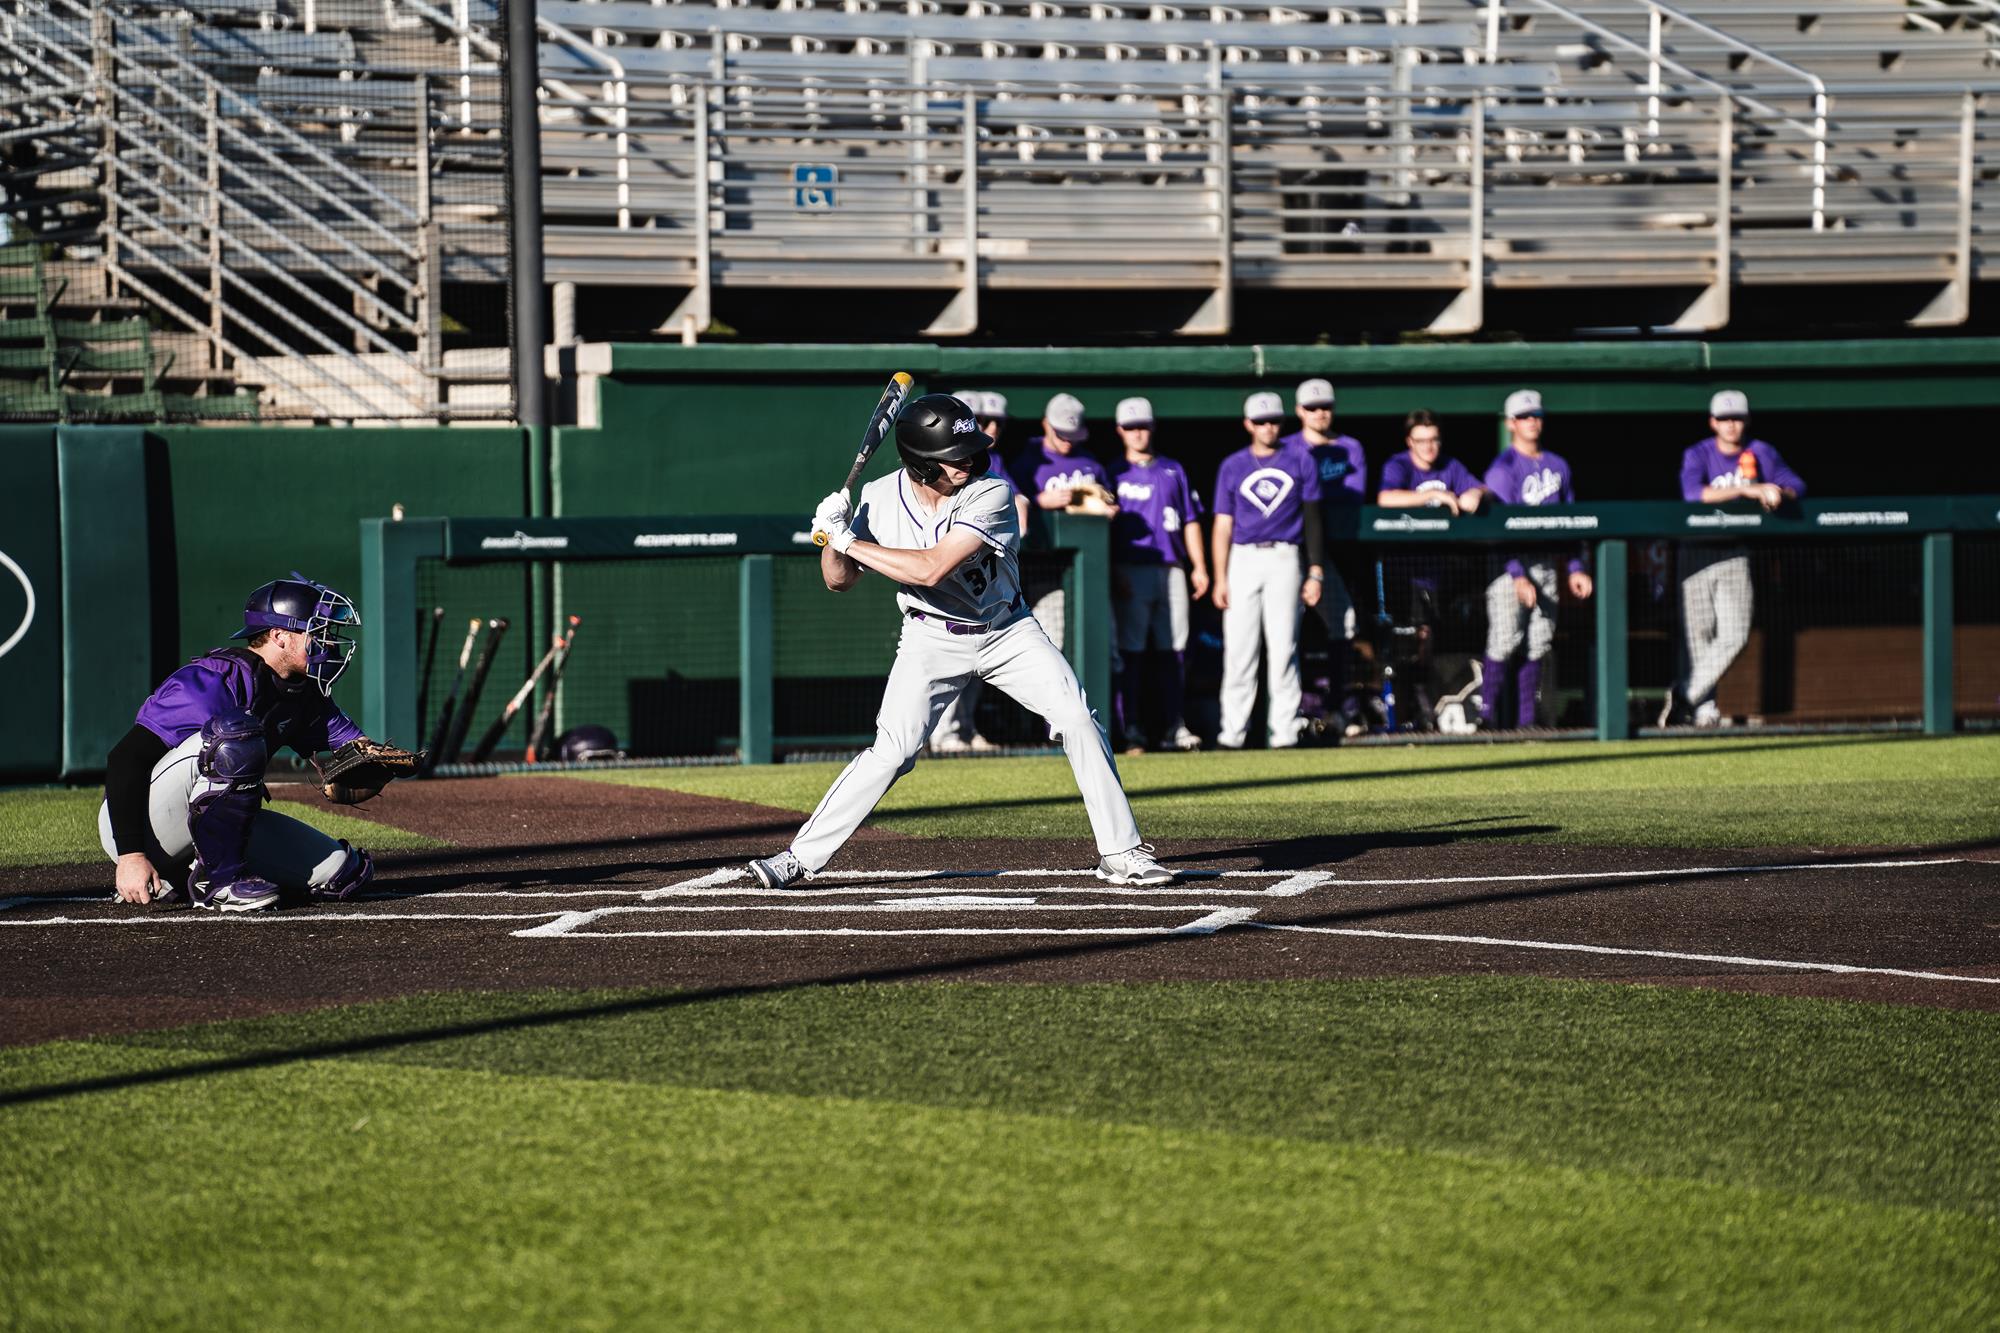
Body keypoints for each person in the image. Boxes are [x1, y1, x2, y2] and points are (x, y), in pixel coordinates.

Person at [747, 393, 1171, 888]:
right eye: (954, 456)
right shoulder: (880, 498)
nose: (968, 460)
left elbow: (931, 568)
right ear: (922, 464)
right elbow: (839, 580)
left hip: (1006, 631)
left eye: (971, 449)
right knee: (893, 751)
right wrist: (833, 532)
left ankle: (1122, 853)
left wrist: (847, 540)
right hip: (930, 638)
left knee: (1078, 719)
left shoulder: (990, 493)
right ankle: (799, 856)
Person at [99, 573, 384, 911]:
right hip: (139, 824)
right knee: (235, 737)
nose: (330, 644)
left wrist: (388, 764)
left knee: (343, 873)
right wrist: (131, 855)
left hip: (204, 825)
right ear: (279, 636)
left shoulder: (304, 694)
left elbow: (363, 749)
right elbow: (125, 758)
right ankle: (221, 884)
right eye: (317, 632)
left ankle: (193, 872)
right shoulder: (213, 680)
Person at [1664, 389, 1807, 728]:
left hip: (1734, 552)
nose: (1731, 425)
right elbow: (1693, 494)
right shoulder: (1698, 452)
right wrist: (1747, 490)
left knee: (1735, 634)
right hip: (1696, 551)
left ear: (1747, 421)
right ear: (1713, 422)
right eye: (1725, 419)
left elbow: (1796, 485)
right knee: (1699, 637)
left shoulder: (1761, 452)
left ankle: (1686, 694)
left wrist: (1777, 492)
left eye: (1737, 418)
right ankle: (1705, 710)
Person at [1210, 390, 1327, 749]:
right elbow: (1222, 524)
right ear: (1248, 424)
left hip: (1284, 555)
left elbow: (1312, 519)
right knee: (1239, 651)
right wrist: (1219, 577)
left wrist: (1316, 570)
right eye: (1260, 421)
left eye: (1273, 420)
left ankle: (1285, 732)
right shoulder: (1232, 464)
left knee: (1283, 648)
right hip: (1243, 557)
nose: (1267, 427)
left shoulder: (1300, 459)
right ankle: (1232, 734)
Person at [1481, 390, 1592, 729]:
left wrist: (1576, 567)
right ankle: (1486, 719)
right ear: (1511, 423)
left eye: (1536, 416)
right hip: (1509, 565)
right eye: (1525, 416)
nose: (1532, 422)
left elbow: (1570, 522)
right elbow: (1497, 528)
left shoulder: (1558, 465)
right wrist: (1516, 575)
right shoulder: (1502, 468)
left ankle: (1526, 723)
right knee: (1505, 638)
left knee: (1540, 640)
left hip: (1546, 562)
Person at [931, 391, 1032, 754]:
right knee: (946, 658)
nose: (990, 429)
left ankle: (964, 727)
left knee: (977, 658)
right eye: (982, 421)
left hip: (978, 576)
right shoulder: (940, 464)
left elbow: (1018, 506)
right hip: (945, 574)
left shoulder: (993, 461)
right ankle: (944, 734)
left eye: (995, 423)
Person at [1107, 396, 1209, 752]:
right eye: (1131, 427)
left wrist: (1199, 565)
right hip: (1130, 569)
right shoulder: (1113, 471)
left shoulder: (1172, 469)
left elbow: (1191, 519)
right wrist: (1111, 569)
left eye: (1143, 426)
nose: (1138, 433)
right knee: (1130, 653)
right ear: (1120, 430)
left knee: (1175, 651)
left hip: (1171, 566)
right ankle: (1131, 728)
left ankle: (1174, 726)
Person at [1282, 377, 1365, 729]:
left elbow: (1352, 497)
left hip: (1330, 551)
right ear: (1299, 411)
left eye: (1325, 407)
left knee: (1343, 623)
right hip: (1286, 548)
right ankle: (1284, 714)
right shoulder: (1285, 448)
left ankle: (1336, 706)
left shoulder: (1349, 448)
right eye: (1312, 407)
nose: (1319, 413)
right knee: (1282, 630)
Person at [1006, 392, 1116, 651]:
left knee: (1100, 644)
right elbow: (1008, 505)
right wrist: (1039, 501)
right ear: (1046, 424)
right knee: (1047, 642)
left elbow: (1109, 501)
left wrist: (1103, 508)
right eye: (1061, 434)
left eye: (1072, 435)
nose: (1067, 442)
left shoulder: (1090, 463)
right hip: (1042, 570)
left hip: (1089, 569)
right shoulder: (1028, 462)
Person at [1376, 409, 1485, 514]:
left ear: (1441, 439)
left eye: (1434, 439)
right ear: (1410, 442)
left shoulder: (1450, 465)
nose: (1428, 446)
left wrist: (1476, 493)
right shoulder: (1398, 464)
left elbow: (1486, 489)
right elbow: (1385, 499)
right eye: (1421, 441)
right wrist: (1434, 494)